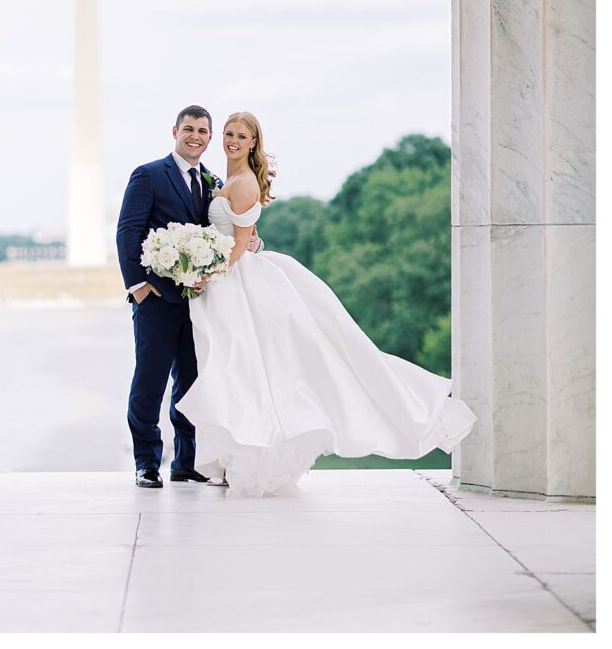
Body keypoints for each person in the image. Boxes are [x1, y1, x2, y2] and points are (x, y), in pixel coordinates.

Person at [177, 111, 476, 496]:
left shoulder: (245, 181)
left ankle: (251, 454)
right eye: (229, 134)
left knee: (245, 368)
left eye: (241, 136)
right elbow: (246, 235)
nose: (232, 140)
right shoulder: (225, 180)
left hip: (236, 284)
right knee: (233, 370)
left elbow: (237, 244)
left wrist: (211, 273)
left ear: (254, 143)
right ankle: (231, 457)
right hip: (230, 283)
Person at [115, 104, 241, 488]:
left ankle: (186, 462)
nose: (196, 137)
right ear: (175, 132)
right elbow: (128, 232)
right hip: (156, 300)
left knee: (192, 382)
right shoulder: (149, 175)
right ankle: (146, 463)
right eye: (189, 129)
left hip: (199, 302)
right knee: (149, 382)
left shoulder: (212, 182)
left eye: (203, 131)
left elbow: (225, 230)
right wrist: (139, 287)